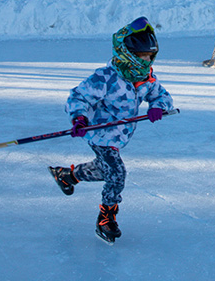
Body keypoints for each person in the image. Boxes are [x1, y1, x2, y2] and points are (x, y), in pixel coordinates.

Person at [48, 16, 175, 243]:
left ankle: (67, 175)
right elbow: (79, 97)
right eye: (142, 56)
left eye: (150, 56)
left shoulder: (144, 79)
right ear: (128, 54)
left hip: (119, 137)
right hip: (100, 134)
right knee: (117, 175)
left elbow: (162, 97)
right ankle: (106, 218)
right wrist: (79, 117)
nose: (147, 61)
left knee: (105, 169)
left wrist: (158, 107)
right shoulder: (105, 78)